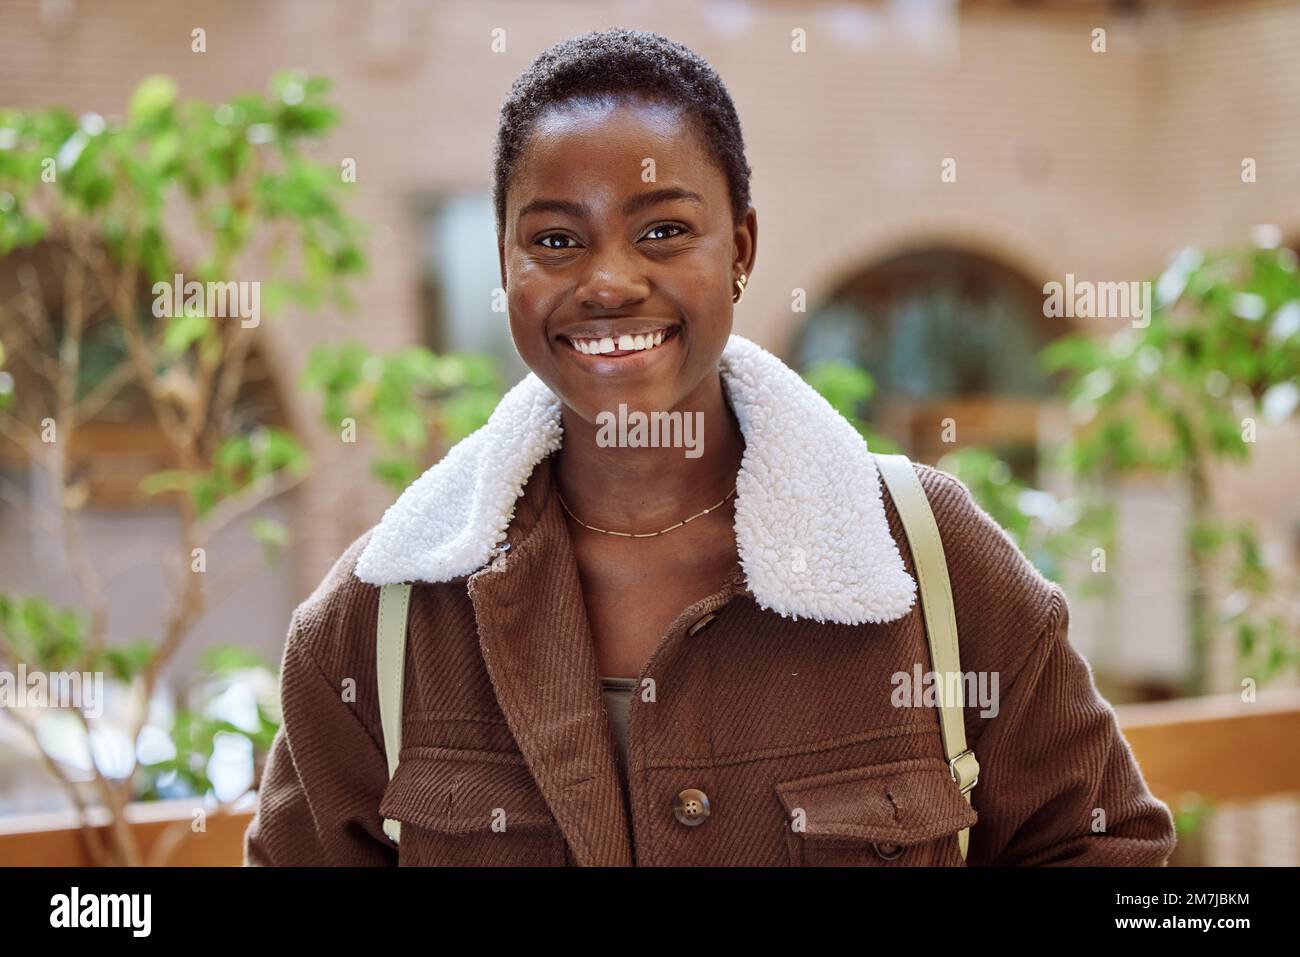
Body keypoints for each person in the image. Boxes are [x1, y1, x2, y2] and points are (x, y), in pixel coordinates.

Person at [244, 27, 1176, 867]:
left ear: (741, 247)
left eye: (663, 230)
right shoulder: (381, 621)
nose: (609, 281)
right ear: (505, 267)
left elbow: (1108, 850)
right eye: (557, 239)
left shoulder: (929, 560)